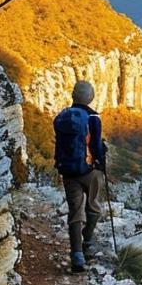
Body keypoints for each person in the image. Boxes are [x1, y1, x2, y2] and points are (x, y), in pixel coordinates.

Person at [53, 80, 107, 273]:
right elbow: (96, 147)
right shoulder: (93, 118)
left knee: (75, 212)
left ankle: (76, 256)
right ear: (90, 97)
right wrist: (101, 159)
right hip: (89, 171)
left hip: (67, 171)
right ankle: (88, 241)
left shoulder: (62, 117)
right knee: (93, 208)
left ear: (73, 96)